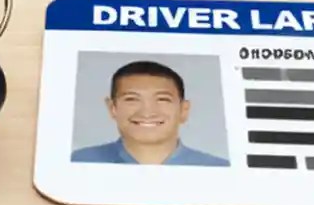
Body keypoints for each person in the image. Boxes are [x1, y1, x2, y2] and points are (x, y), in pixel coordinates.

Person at [71, 60, 229, 166]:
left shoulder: (218, 168)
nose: (147, 112)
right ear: (112, 108)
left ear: (183, 110)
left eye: (162, 99)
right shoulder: (78, 161)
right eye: (132, 99)